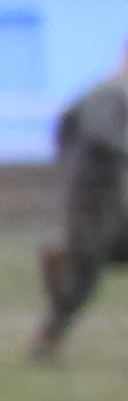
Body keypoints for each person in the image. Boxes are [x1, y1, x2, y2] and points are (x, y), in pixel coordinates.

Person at [57, 40, 128, 355]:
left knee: (88, 271)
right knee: (85, 274)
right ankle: (49, 336)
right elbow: (104, 136)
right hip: (90, 204)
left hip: (112, 203)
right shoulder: (107, 93)